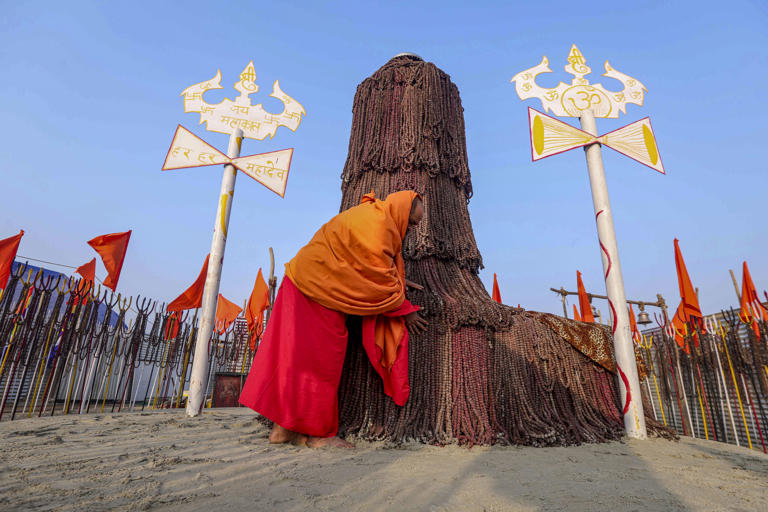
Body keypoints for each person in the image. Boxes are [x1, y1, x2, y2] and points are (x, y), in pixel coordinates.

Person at [239, 190, 428, 448]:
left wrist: (400, 281)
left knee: (296, 360)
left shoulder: (374, 217)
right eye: (413, 222)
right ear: (402, 211)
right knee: (321, 363)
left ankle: (282, 431)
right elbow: (378, 280)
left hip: (308, 283)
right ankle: (317, 435)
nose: (412, 229)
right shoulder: (380, 227)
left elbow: (359, 263)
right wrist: (406, 307)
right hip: (315, 290)